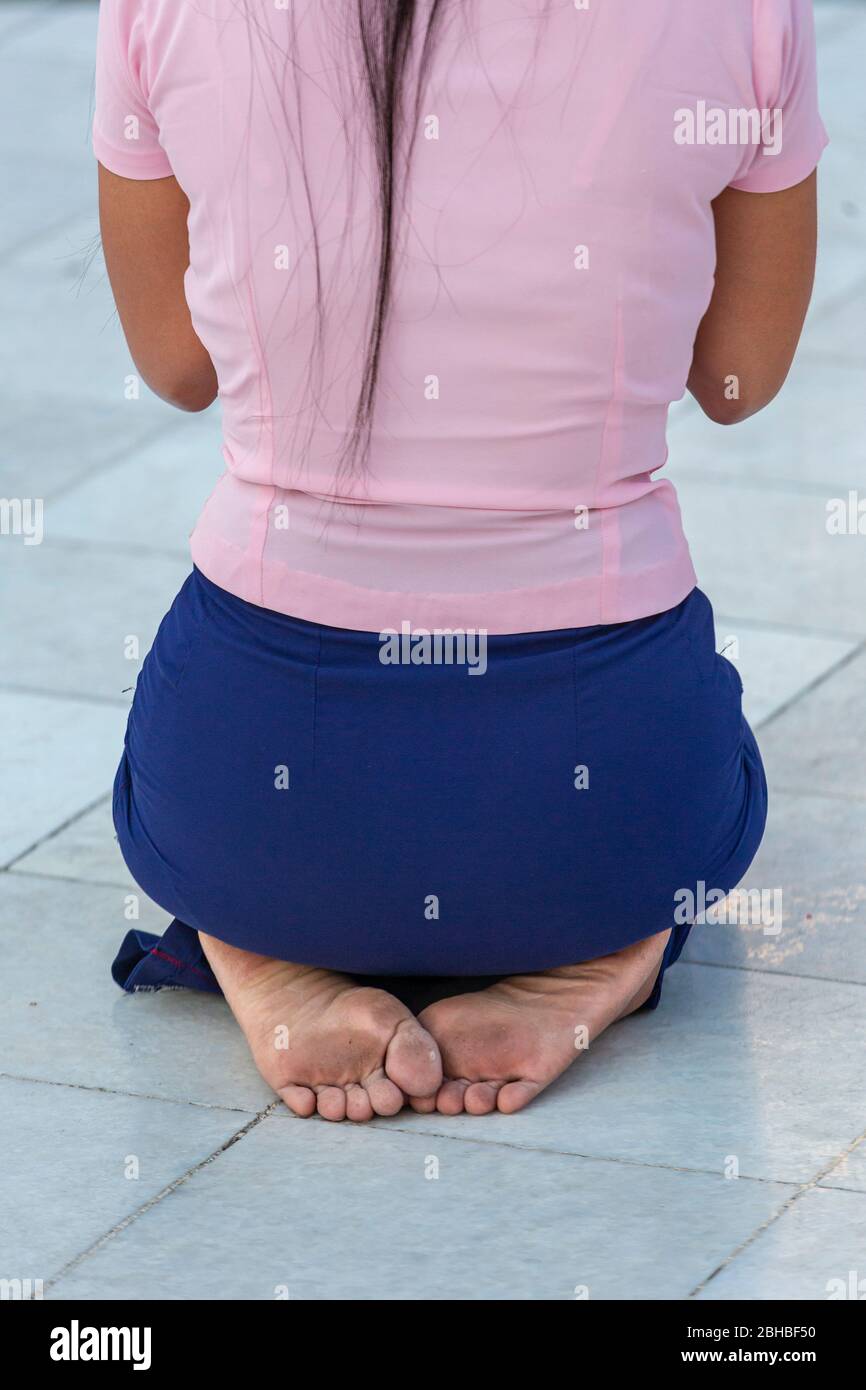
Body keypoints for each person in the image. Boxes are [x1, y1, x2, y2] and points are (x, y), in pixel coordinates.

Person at [94, 0, 826, 1122]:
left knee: (181, 775)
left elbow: (177, 365)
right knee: (712, 773)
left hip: (246, 790)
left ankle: (249, 941)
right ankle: (601, 955)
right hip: (608, 799)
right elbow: (738, 377)